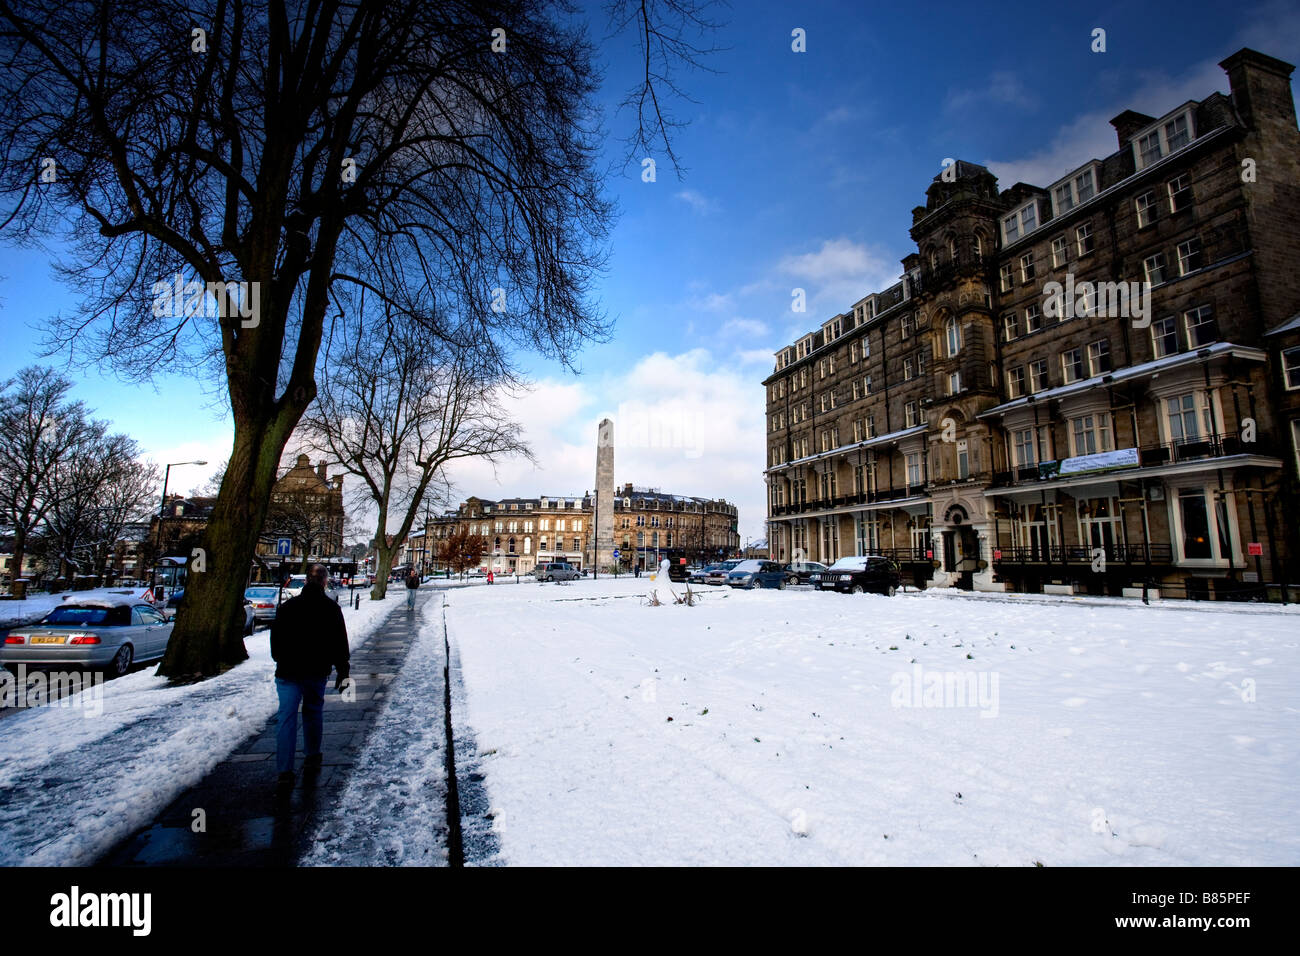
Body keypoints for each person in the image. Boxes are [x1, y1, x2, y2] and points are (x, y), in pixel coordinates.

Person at [270, 563, 349, 798]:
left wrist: (282, 660)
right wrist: (342, 671)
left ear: (306, 581)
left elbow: (276, 643)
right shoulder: (330, 608)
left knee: (286, 718)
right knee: (313, 712)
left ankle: (284, 770)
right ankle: (312, 755)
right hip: (315, 671)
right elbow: (339, 643)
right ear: (325, 582)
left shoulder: (287, 608)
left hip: (288, 672)